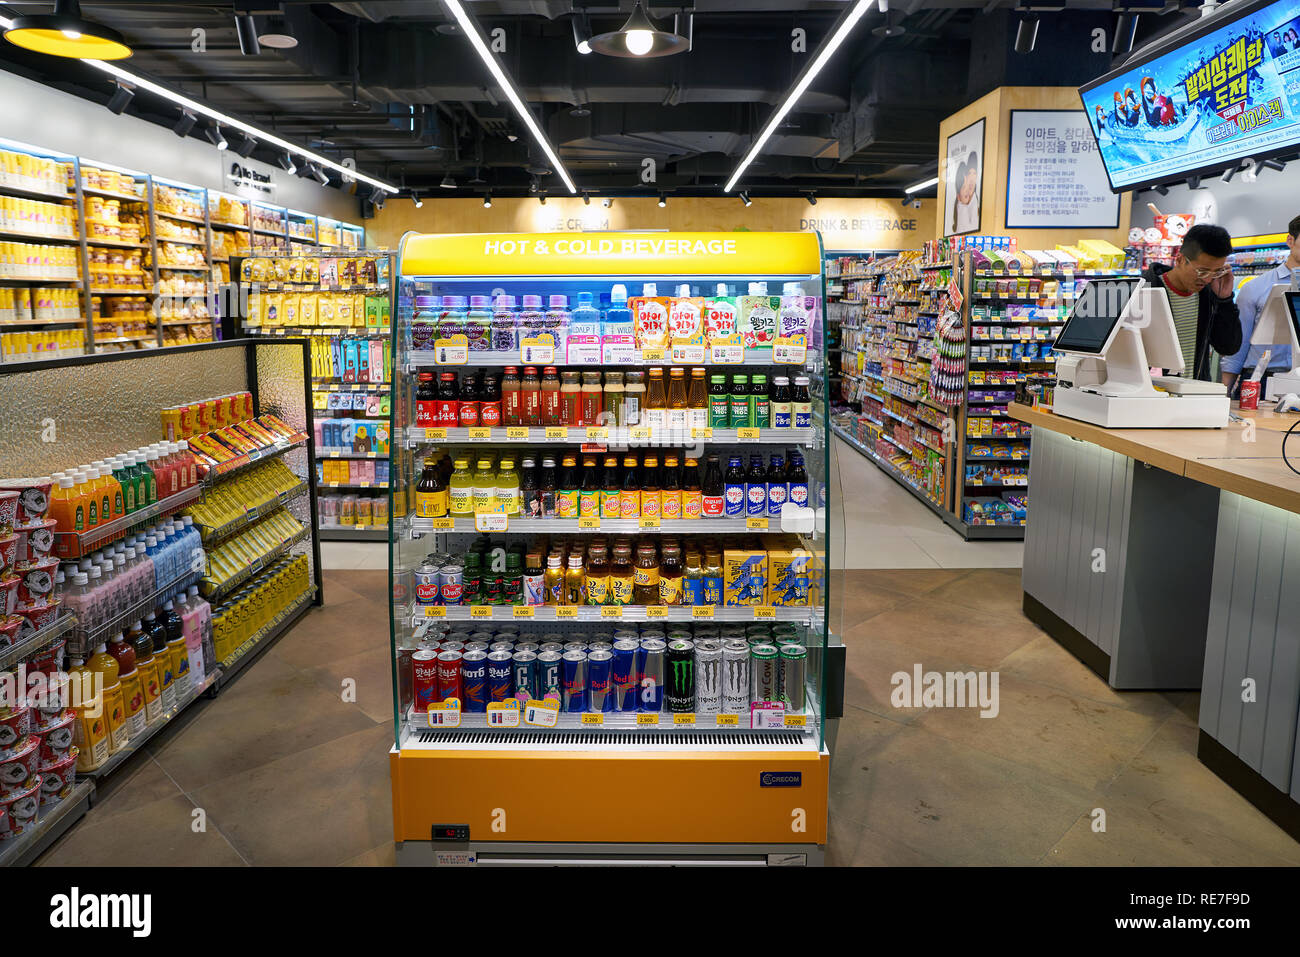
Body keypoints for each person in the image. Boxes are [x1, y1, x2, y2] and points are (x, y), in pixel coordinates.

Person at [1143, 224, 1242, 380]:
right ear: (1180, 260)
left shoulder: (1209, 295)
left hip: (1193, 396)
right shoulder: (1144, 290)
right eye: (1202, 271)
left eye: (1217, 271)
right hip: (1151, 395)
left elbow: (1228, 347)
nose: (1208, 279)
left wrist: (1225, 300)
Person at [1220, 214, 1300, 395]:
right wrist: (1223, 395)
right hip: (1260, 380)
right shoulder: (1255, 288)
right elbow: (1237, 346)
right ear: (1290, 240)